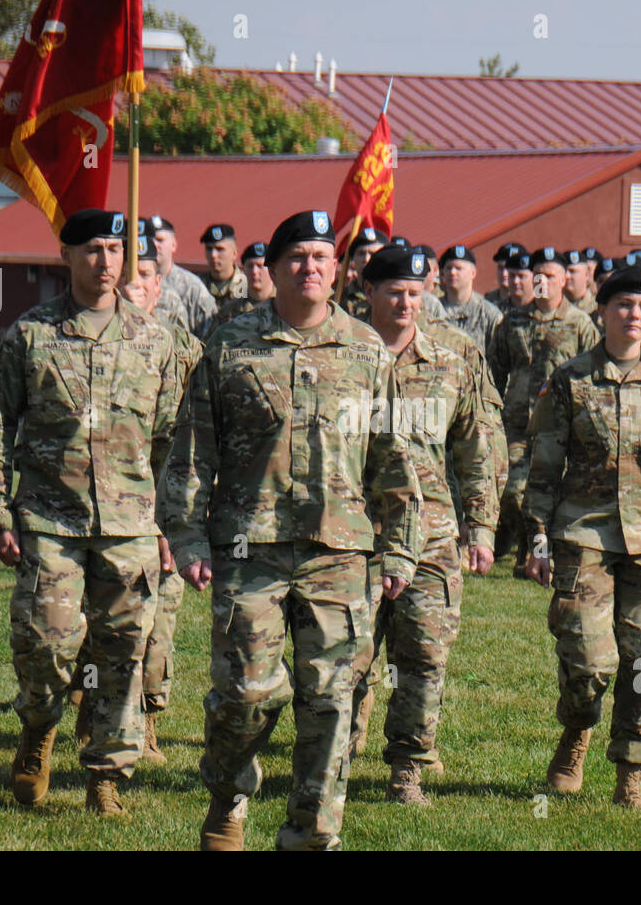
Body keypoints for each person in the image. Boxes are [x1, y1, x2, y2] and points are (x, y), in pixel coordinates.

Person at [163, 210, 422, 851]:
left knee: (330, 703)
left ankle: (311, 831)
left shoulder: (366, 350)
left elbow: (393, 459)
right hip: (250, 549)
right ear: (274, 271)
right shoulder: (230, 347)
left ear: (338, 270)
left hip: (341, 551)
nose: (310, 268)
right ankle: (228, 797)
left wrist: (400, 548)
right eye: (297, 258)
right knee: (246, 696)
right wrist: (189, 539)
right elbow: (193, 453)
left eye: (321, 257)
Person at [0, 209, 183, 815]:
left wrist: (171, 521)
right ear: (66, 256)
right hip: (48, 518)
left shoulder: (154, 339)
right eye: (93, 249)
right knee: (47, 644)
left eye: (117, 249)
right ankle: (39, 729)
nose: (106, 261)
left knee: (125, 652)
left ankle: (106, 775)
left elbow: (171, 438)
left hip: (130, 525)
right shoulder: (31, 334)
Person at [524, 263, 641, 813]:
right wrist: (535, 538)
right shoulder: (570, 379)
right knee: (589, 659)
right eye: (623, 305)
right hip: (585, 536)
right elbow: (543, 469)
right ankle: (577, 729)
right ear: (602, 311)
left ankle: (631, 776)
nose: (634, 315)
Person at [349, 247, 497, 806]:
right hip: (356, 531)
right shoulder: (344, 354)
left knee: (424, 656)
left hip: (432, 533)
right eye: (394, 292)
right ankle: (335, 754)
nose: (407, 303)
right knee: (345, 654)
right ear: (369, 292)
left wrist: (482, 527)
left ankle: (406, 770)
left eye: (416, 293)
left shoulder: (453, 360)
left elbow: (477, 449)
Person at [73, 219, 203, 764]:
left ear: (157, 285)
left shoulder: (185, 351)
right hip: (92, 515)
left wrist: (180, 521)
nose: (131, 283)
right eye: (129, 273)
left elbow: (190, 442)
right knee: (91, 623)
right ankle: (90, 704)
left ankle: (145, 720)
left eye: (144, 273)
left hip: (161, 513)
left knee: (155, 625)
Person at [488, 248, 599, 576]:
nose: (542, 282)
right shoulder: (513, 321)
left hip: (560, 425)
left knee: (546, 494)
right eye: (537, 276)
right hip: (518, 424)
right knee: (512, 491)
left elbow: (593, 376)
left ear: (564, 280)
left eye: (550, 276)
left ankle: (535, 552)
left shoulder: (580, 324)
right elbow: (495, 371)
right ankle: (522, 543)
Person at [151, 215, 219, 340]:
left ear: (173, 245)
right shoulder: (135, 282)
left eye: (160, 240)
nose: (155, 244)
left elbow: (209, 335)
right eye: (150, 240)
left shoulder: (192, 287)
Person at [437, 244, 504, 354]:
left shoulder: (488, 313)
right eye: (449, 268)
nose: (452, 272)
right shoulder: (434, 310)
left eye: (459, 268)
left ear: (473, 273)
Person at [210, 241, 274, 332]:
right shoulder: (229, 311)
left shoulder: (285, 305)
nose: (254, 271)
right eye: (250, 266)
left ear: (272, 269)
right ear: (243, 269)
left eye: (260, 266)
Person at [200, 223, 248, 308]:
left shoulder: (248, 286)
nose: (213, 255)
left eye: (220, 249)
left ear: (234, 253)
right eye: (209, 249)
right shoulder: (198, 286)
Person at [485, 242, 525, 308]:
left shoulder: (534, 301)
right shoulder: (488, 301)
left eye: (508, 269)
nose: (504, 273)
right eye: (500, 268)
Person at [562, 249, 597, 314]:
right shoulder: (551, 306)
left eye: (572, 271)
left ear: (587, 274)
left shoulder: (599, 308)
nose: (567, 276)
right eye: (564, 271)